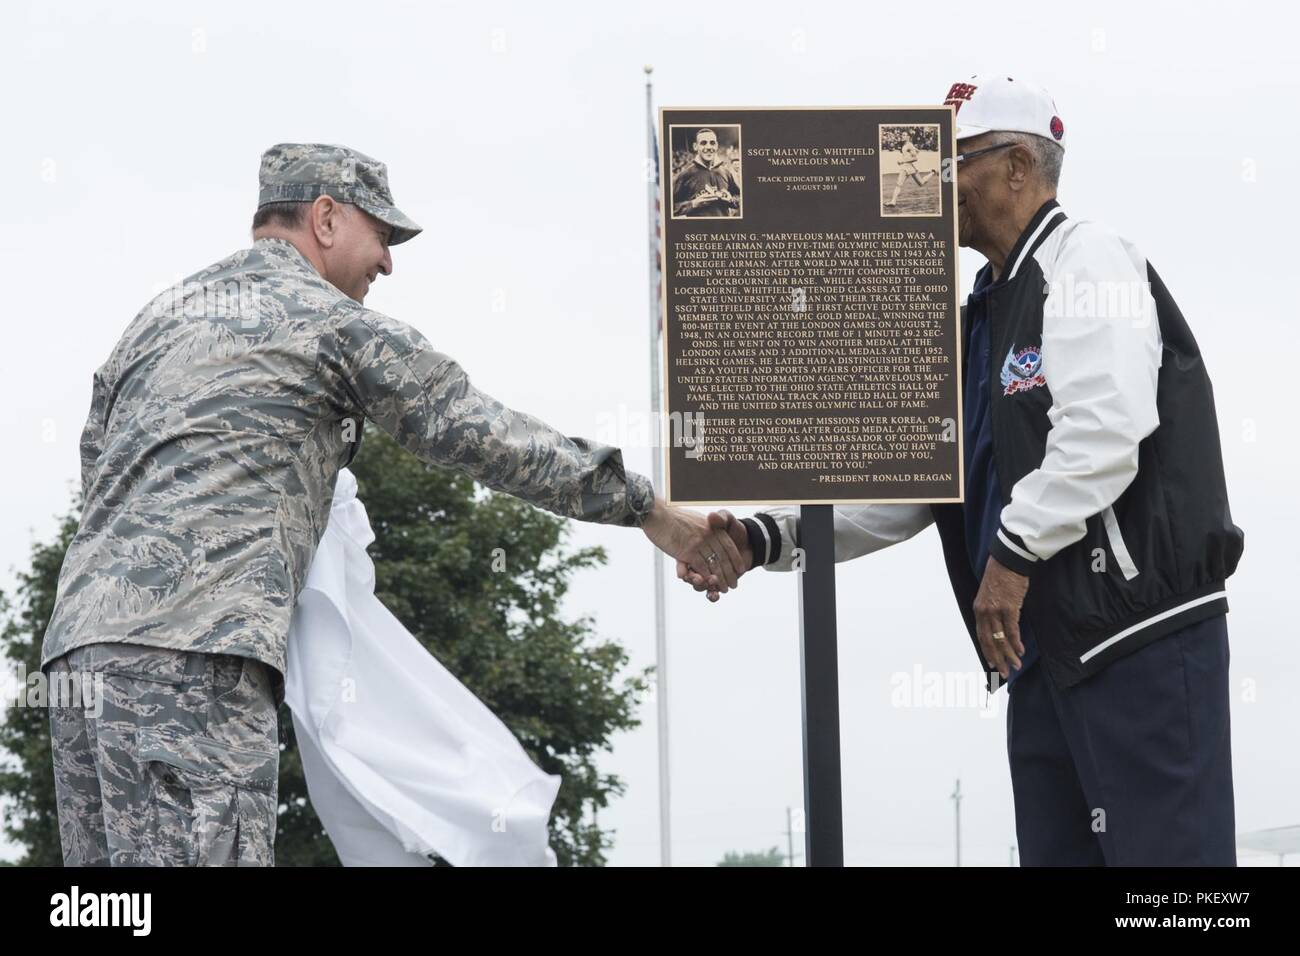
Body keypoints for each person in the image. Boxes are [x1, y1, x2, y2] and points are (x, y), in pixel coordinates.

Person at [43, 142, 743, 867]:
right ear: (325, 217)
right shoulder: (324, 320)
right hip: (194, 661)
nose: (387, 262)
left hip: (76, 659)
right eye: (381, 235)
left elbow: (98, 467)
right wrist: (647, 509)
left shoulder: (159, 317)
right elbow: (482, 433)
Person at [682, 77, 1245, 866]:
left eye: (948, 163)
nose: (927, 187)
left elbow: (1105, 429)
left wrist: (1010, 560)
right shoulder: (973, 314)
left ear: (1017, 166)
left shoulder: (1089, 257)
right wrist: (763, 535)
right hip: (1042, 657)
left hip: (1137, 638)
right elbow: (915, 486)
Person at [671, 128, 741, 217]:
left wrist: (731, 200)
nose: (708, 147)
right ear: (695, 146)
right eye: (703, 143)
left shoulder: (725, 172)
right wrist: (693, 204)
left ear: (716, 146)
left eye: (712, 143)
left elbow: (738, 197)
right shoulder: (686, 174)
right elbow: (669, 207)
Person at [884, 130, 937, 207]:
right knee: (919, 183)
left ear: (908, 137)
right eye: (902, 135)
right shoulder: (906, 145)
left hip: (907, 166)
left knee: (903, 184)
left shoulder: (909, 145)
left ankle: (893, 201)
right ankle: (933, 172)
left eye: (904, 135)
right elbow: (917, 152)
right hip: (907, 167)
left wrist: (902, 161)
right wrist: (914, 151)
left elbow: (915, 158)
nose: (902, 136)